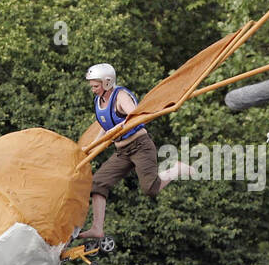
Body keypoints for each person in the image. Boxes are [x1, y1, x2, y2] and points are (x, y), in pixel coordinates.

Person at [77, 63, 191, 242]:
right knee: (98, 184)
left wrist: (116, 129)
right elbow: (103, 123)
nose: (93, 89)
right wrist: (93, 145)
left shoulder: (120, 96)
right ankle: (97, 228)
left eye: (96, 85)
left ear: (107, 83)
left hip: (140, 146)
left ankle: (176, 169)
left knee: (150, 189)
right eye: (91, 85)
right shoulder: (99, 101)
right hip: (122, 152)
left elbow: (136, 116)